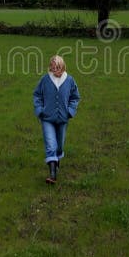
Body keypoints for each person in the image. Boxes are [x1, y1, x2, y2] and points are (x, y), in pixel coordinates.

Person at [33, 55, 80, 184]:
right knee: (50, 144)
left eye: (58, 67)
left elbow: (75, 97)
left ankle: (56, 160)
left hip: (63, 119)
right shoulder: (45, 80)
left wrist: (70, 111)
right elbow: (37, 95)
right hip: (47, 118)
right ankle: (52, 175)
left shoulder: (69, 80)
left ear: (63, 67)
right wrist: (39, 110)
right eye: (53, 67)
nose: (55, 70)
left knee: (59, 146)